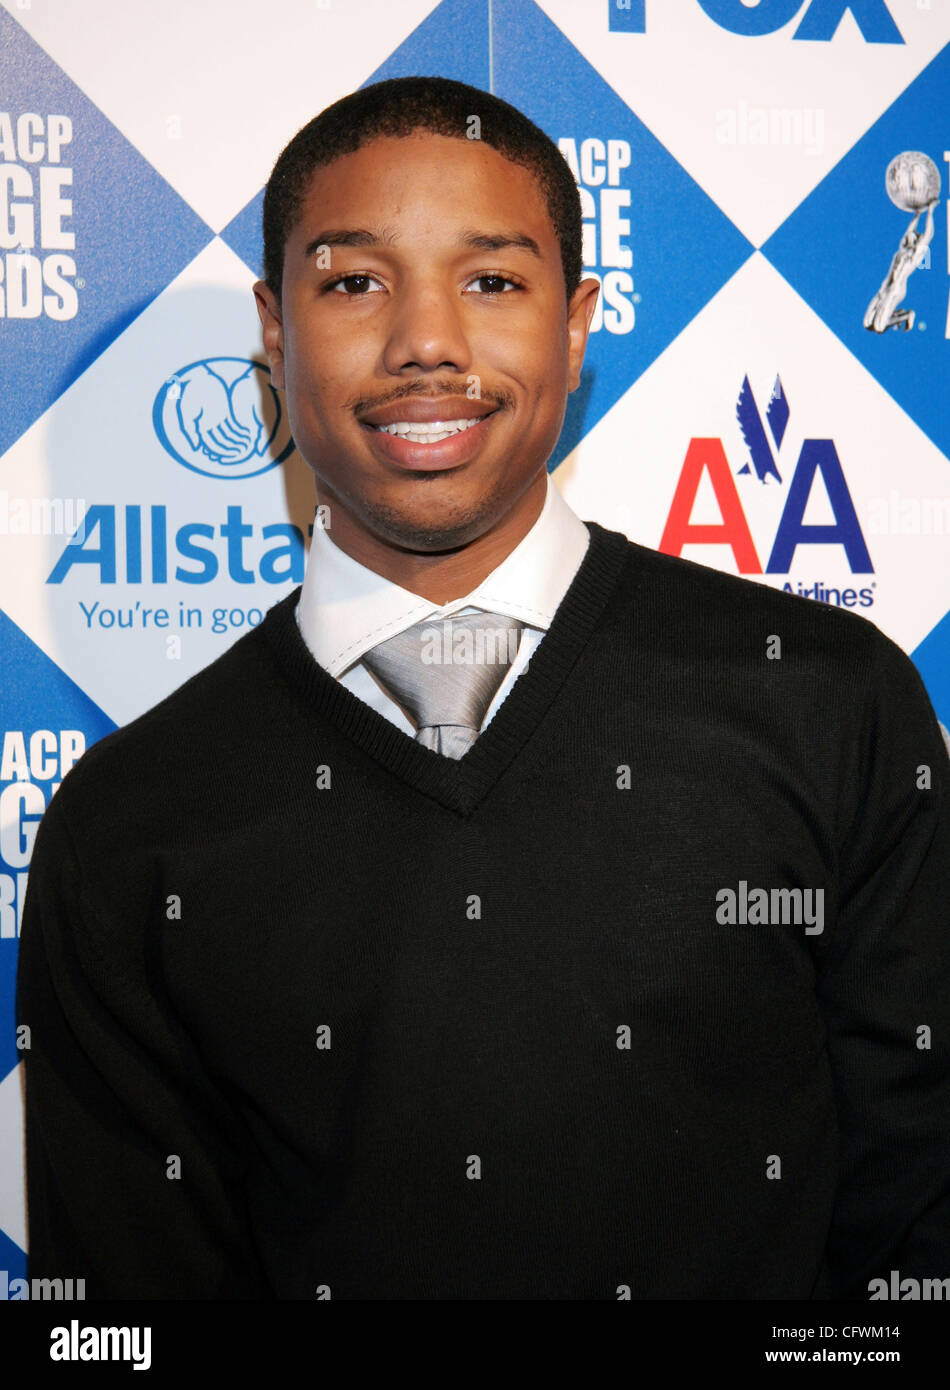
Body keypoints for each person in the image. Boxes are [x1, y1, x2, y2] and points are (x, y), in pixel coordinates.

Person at [16, 75, 950, 1301]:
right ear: (271, 329)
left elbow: (916, 1230)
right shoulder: (132, 822)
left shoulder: (829, 707)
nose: (425, 343)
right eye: (353, 281)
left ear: (575, 325)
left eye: (493, 281)